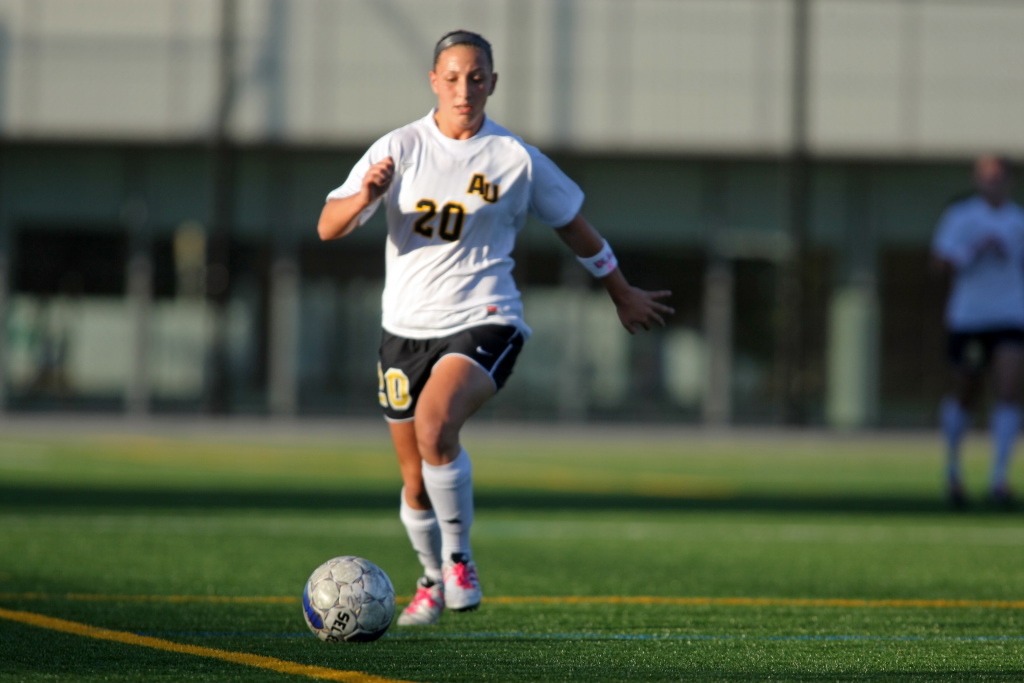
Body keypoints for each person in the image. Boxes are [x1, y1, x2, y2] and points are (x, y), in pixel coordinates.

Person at [317, 30, 674, 625]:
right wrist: (366, 197)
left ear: (493, 83)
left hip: (487, 317)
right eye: (452, 77)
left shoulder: (516, 158)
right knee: (413, 481)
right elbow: (328, 225)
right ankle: (430, 580)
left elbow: (573, 226)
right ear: (433, 80)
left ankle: (459, 561)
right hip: (404, 330)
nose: (464, 89)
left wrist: (621, 291)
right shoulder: (401, 148)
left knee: (435, 427)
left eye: (476, 76)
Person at [932, 155, 1024, 508]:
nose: (992, 183)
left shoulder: (1018, 221)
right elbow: (939, 263)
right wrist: (973, 251)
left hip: (1011, 316)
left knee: (1008, 390)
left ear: (1009, 181)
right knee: (965, 391)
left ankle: (999, 478)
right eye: (986, 177)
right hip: (970, 318)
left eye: (998, 177)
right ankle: (953, 469)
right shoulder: (961, 217)